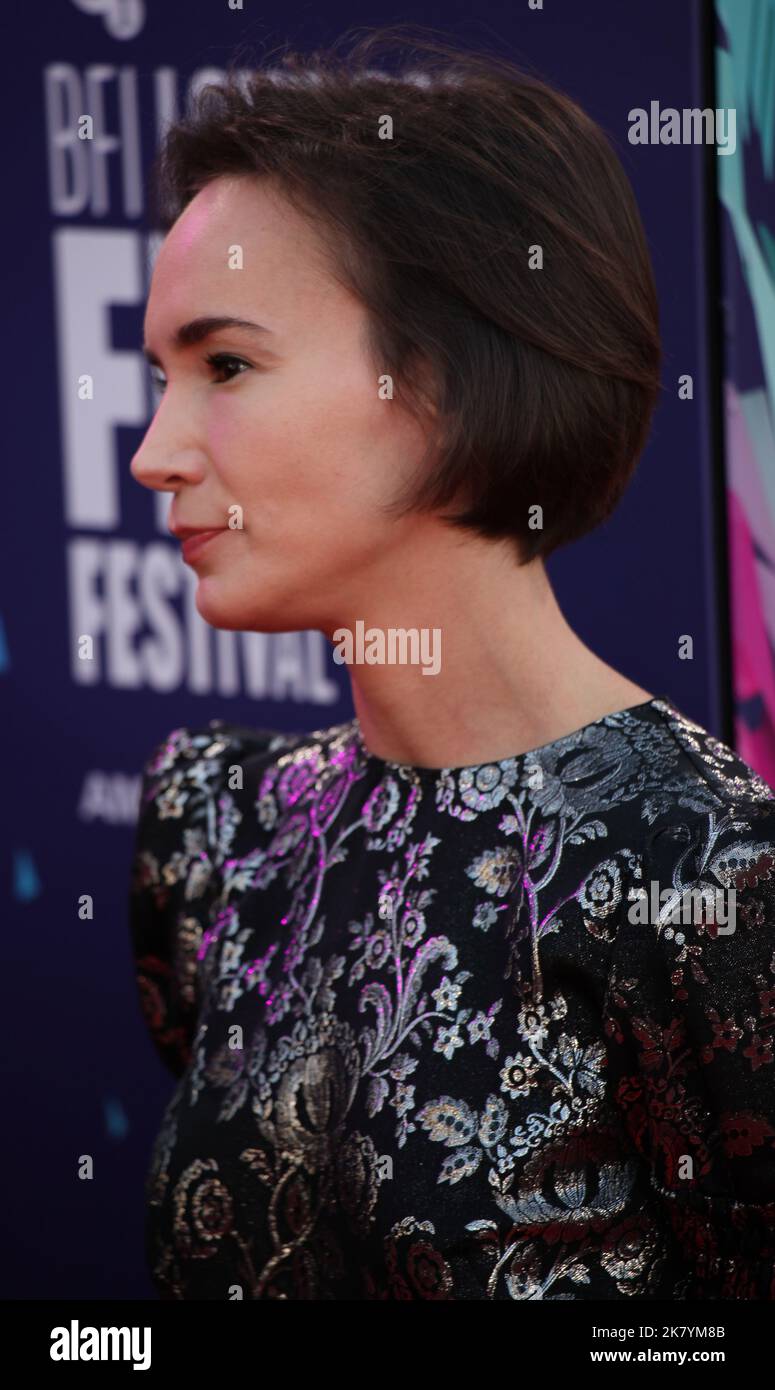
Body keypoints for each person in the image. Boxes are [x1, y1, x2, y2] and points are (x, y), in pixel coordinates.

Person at [128, 27, 775, 1299]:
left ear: (439, 380)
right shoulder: (213, 827)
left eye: (227, 366)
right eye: (160, 375)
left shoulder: (704, 872)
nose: (156, 449)